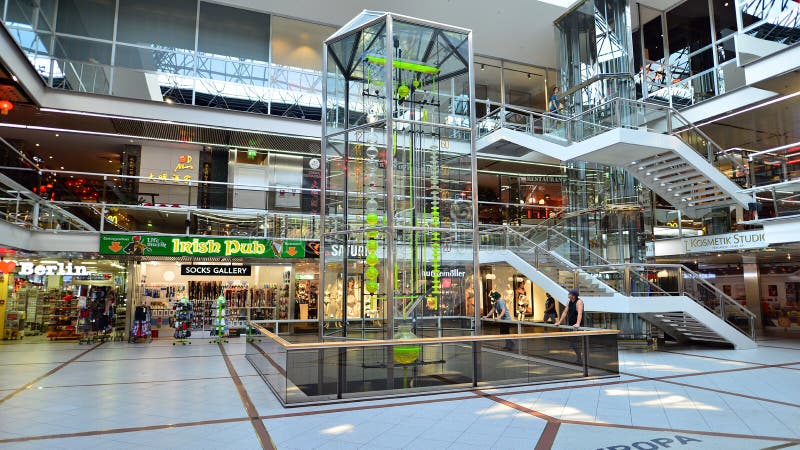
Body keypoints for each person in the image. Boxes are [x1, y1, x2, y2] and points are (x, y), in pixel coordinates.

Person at [554, 289, 584, 364]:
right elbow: (565, 312)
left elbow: (580, 313)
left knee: (575, 342)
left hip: (578, 325)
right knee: (572, 342)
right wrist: (559, 322)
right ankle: (579, 358)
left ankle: (580, 359)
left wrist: (577, 323)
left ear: (573, 296)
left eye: (570, 294)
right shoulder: (569, 301)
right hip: (571, 325)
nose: (568, 295)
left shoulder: (579, 302)